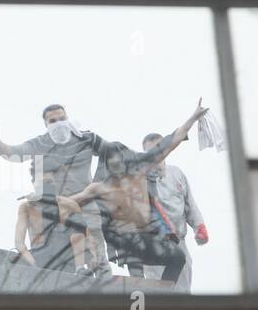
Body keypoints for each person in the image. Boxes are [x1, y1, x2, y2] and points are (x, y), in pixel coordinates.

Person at [0, 104, 181, 273]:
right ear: (46, 125)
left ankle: (105, 283)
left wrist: (145, 161)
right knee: (59, 256)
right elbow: (12, 152)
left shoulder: (85, 139)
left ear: (67, 118)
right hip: (55, 209)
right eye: (53, 121)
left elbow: (116, 151)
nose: (59, 123)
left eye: (62, 118)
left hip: (85, 204)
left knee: (96, 249)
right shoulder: (39, 144)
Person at [57, 101, 207, 290]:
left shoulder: (140, 168)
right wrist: (42, 198)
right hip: (122, 238)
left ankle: (161, 292)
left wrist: (193, 118)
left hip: (148, 236)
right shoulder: (100, 187)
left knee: (178, 257)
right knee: (132, 253)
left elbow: (172, 141)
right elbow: (70, 202)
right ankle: (139, 286)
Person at [0, 172, 87, 293]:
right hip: (36, 256)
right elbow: (19, 242)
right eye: (40, 183)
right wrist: (31, 263)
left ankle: (79, 269)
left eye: (48, 183)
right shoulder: (26, 207)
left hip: (61, 259)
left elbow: (79, 235)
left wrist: (80, 267)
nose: (44, 186)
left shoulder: (68, 205)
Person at [138, 131, 210, 292]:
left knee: (183, 292)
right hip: (155, 246)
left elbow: (190, 203)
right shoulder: (140, 179)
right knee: (159, 294)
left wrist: (200, 226)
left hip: (180, 243)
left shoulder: (177, 173)